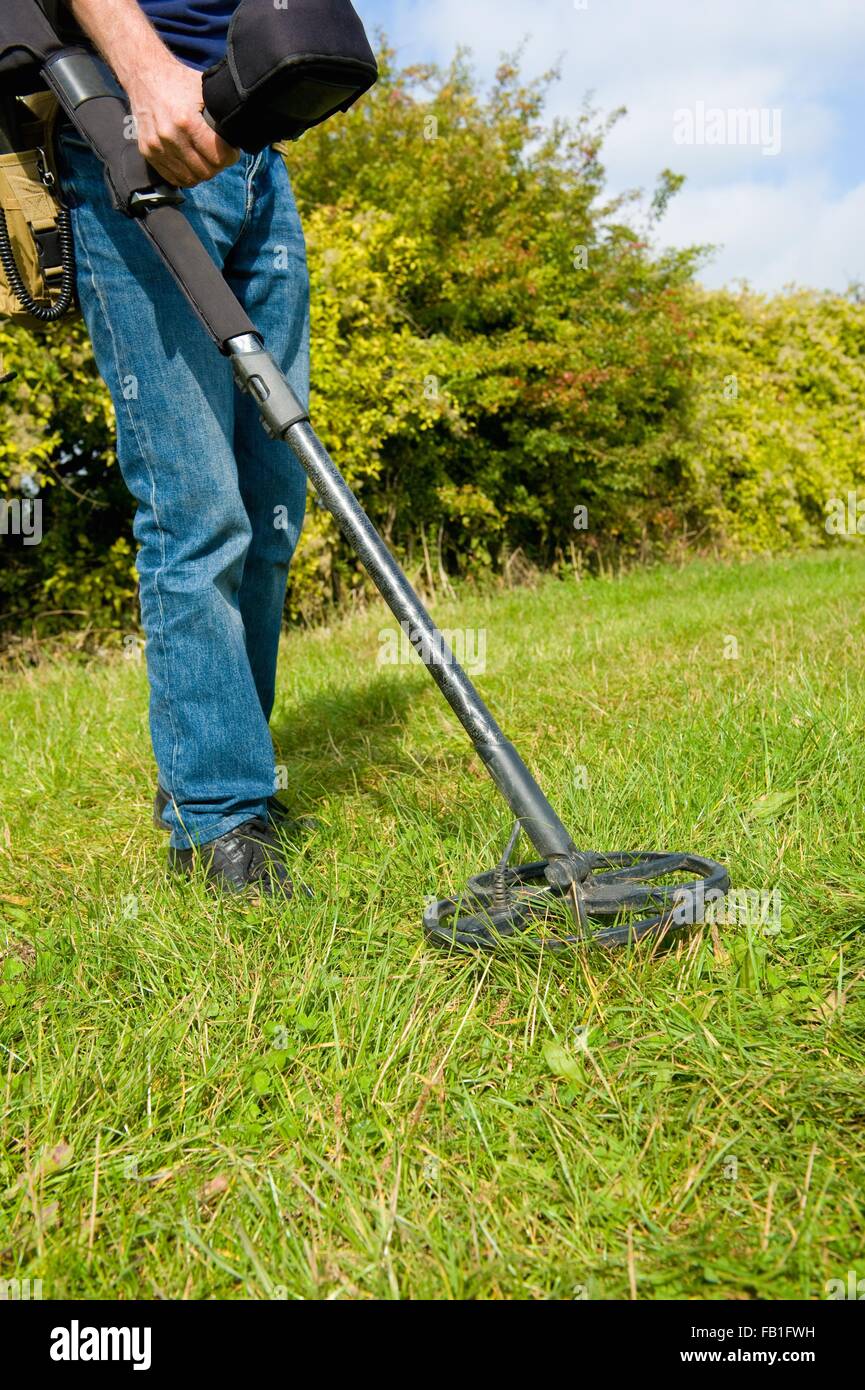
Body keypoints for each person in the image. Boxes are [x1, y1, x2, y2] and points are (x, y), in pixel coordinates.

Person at [61, 0, 310, 897]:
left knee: (274, 504)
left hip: (251, 158)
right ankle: (219, 820)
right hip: (133, 130)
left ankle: (239, 777)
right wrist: (146, 68)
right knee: (196, 507)